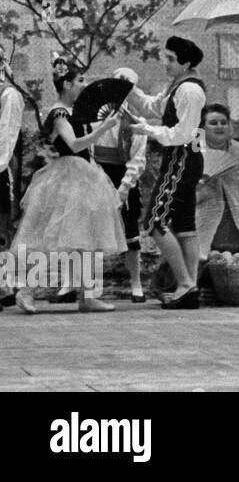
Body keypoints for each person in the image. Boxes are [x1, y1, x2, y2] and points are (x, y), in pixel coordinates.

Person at [11, 56, 126, 313]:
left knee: (86, 237)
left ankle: (87, 295)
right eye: (80, 80)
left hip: (85, 176)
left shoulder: (76, 112)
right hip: (66, 178)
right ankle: (26, 291)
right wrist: (102, 128)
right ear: (66, 85)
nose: (84, 85)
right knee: (53, 239)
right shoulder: (59, 113)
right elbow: (73, 145)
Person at [126, 35, 207, 310]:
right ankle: (190, 287)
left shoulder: (190, 91)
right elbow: (154, 107)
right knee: (184, 225)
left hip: (182, 158)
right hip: (183, 158)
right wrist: (130, 89)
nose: (166, 63)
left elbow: (182, 134)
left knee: (154, 221)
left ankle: (185, 283)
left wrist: (147, 130)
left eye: (171, 59)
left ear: (186, 62)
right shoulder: (179, 86)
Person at [92, 67, 148, 302]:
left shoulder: (136, 121)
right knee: (90, 229)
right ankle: (86, 284)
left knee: (130, 231)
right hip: (97, 174)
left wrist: (124, 189)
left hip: (123, 175)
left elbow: (138, 159)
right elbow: (87, 147)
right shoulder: (95, 115)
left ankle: (136, 283)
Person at [195, 104, 239, 257]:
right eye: (213, 123)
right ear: (203, 127)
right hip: (205, 214)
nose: (219, 127)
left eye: (223, 122)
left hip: (238, 215)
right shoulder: (195, 151)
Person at [0, 57, 27, 307]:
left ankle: (6, 285)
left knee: (2, 226)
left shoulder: (9, 95)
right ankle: (4, 286)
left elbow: (6, 137)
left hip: (1, 168)